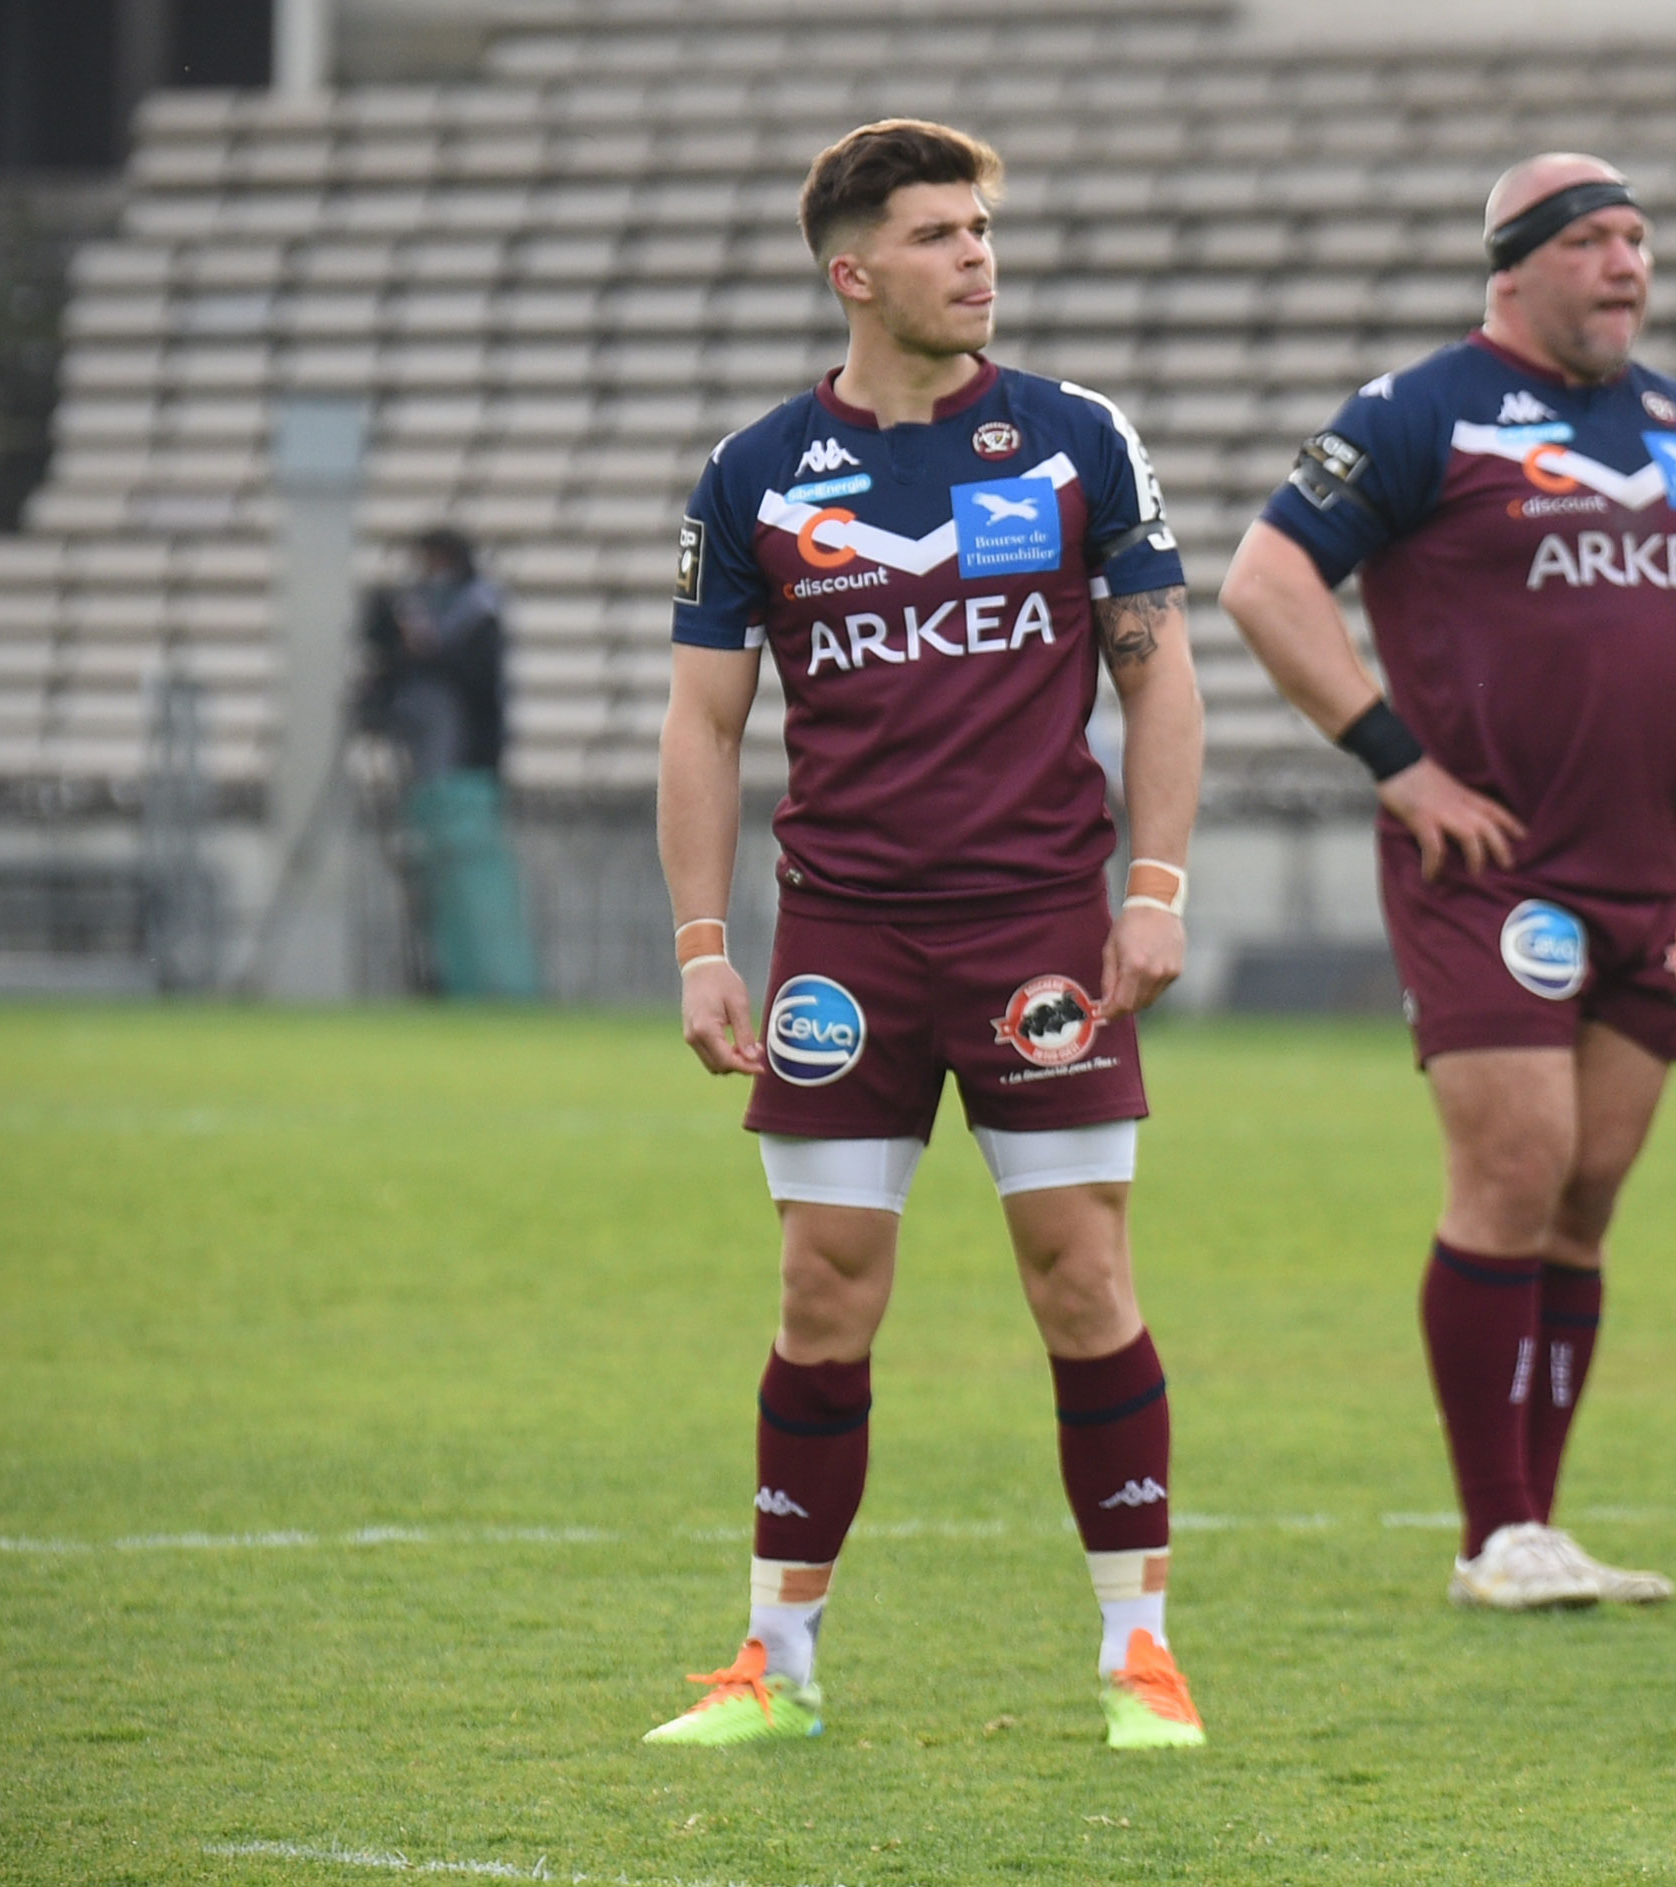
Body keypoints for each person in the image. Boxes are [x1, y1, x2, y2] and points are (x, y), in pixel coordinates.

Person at [1218, 148, 1676, 1862]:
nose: (1631, 265)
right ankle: (1495, 1531)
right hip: (1491, 866)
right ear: (1521, 267)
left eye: (1643, 237)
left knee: (1586, 1191)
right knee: (1512, 1170)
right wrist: (1400, 767)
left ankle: (1542, 1525)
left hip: (1648, 870)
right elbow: (1268, 583)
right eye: (1598, 242)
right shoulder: (1425, 410)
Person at [648, 118, 1209, 1754]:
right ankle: (775, 1664)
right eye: (939, 234)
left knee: (1083, 1275)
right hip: (842, 942)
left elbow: (1157, 667)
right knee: (824, 1289)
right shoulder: (754, 473)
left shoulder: (1073, 440)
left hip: (1040, 924)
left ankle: (1140, 1653)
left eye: (982, 229)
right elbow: (702, 721)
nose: (976, 255)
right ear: (855, 272)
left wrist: (1154, 888)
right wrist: (702, 935)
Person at [356, 527, 538, 998]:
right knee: (441, 886)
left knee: (471, 886)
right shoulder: (441, 611)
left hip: (466, 765)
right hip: (442, 769)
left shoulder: (477, 614)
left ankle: (494, 986)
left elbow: (472, 680)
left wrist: (425, 650)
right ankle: (455, 982)